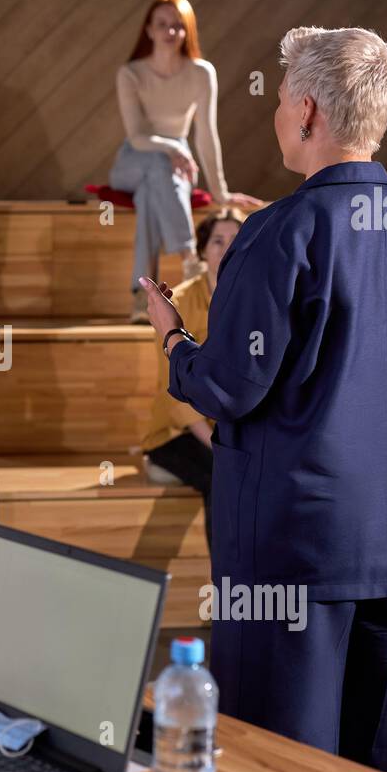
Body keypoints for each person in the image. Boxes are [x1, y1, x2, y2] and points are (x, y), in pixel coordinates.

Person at [142, 26, 387, 772]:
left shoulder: (275, 233)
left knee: (280, 759)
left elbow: (226, 386)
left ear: (311, 112)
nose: (277, 113)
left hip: (297, 553)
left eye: (283, 98)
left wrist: (173, 343)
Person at [112, 0, 261, 324]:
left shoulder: (201, 72)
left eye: (178, 26)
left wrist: (220, 191)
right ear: (148, 30)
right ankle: (190, 258)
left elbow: (207, 133)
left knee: (153, 192)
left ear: (187, 31)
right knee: (155, 166)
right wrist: (172, 148)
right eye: (162, 24)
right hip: (135, 159)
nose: (170, 31)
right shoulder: (130, 73)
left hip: (174, 166)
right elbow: (137, 136)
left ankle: (141, 296)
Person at [141, 208, 245, 546]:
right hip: (178, 433)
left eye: (234, 240)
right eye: (217, 241)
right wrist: (221, 448)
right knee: (223, 477)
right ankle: (227, 587)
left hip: (231, 426)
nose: (226, 248)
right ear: (202, 250)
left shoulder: (253, 301)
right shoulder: (180, 301)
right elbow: (176, 393)